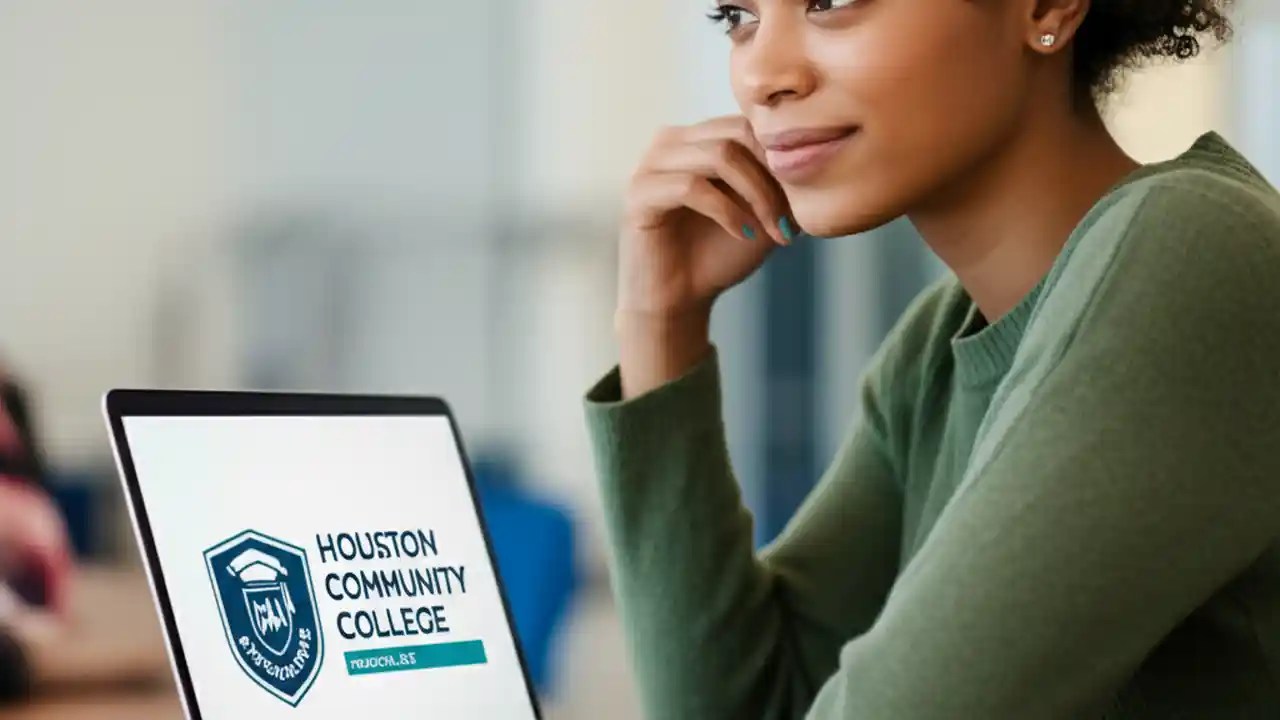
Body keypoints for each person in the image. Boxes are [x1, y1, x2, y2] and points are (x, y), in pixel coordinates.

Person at [583, 0, 1280, 717]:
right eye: (737, 16)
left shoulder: (1194, 255)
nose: (763, 74)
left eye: (830, 2)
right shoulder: (938, 349)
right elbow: (752, 706)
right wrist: (658, 320)